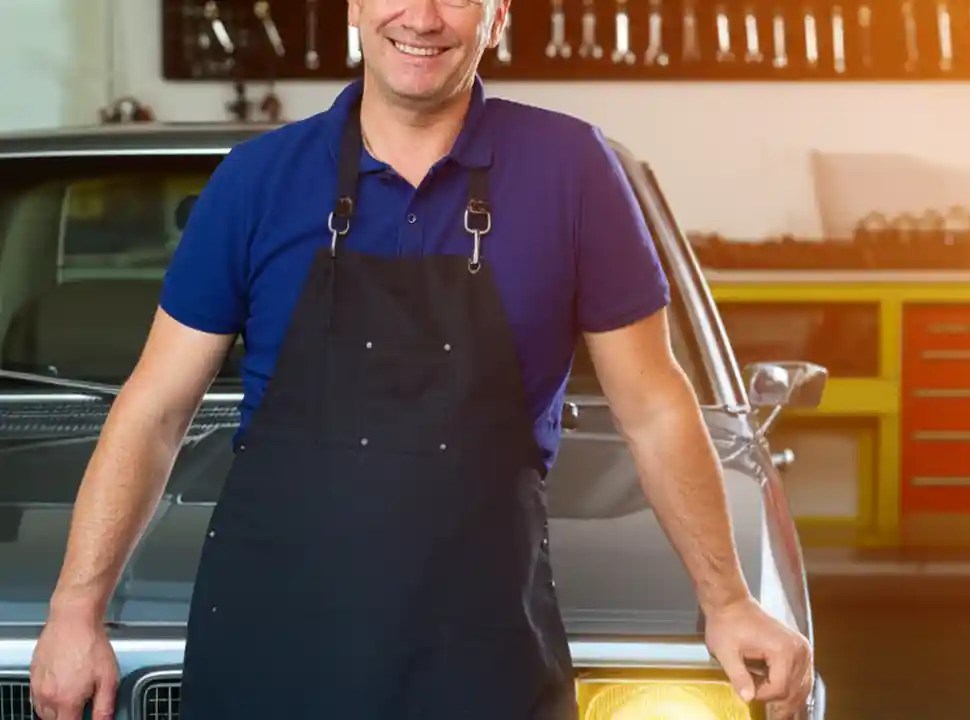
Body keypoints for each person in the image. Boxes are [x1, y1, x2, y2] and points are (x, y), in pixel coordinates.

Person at [28, 0, 815, 717]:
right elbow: (156, 409)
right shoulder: (257, 181)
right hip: (270, 654)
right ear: (355, 8)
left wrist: (728, 602)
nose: (424, 17)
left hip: (483, 654)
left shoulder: (571, 170)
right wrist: (74, 610)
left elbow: (653, 406)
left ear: (497, 18)